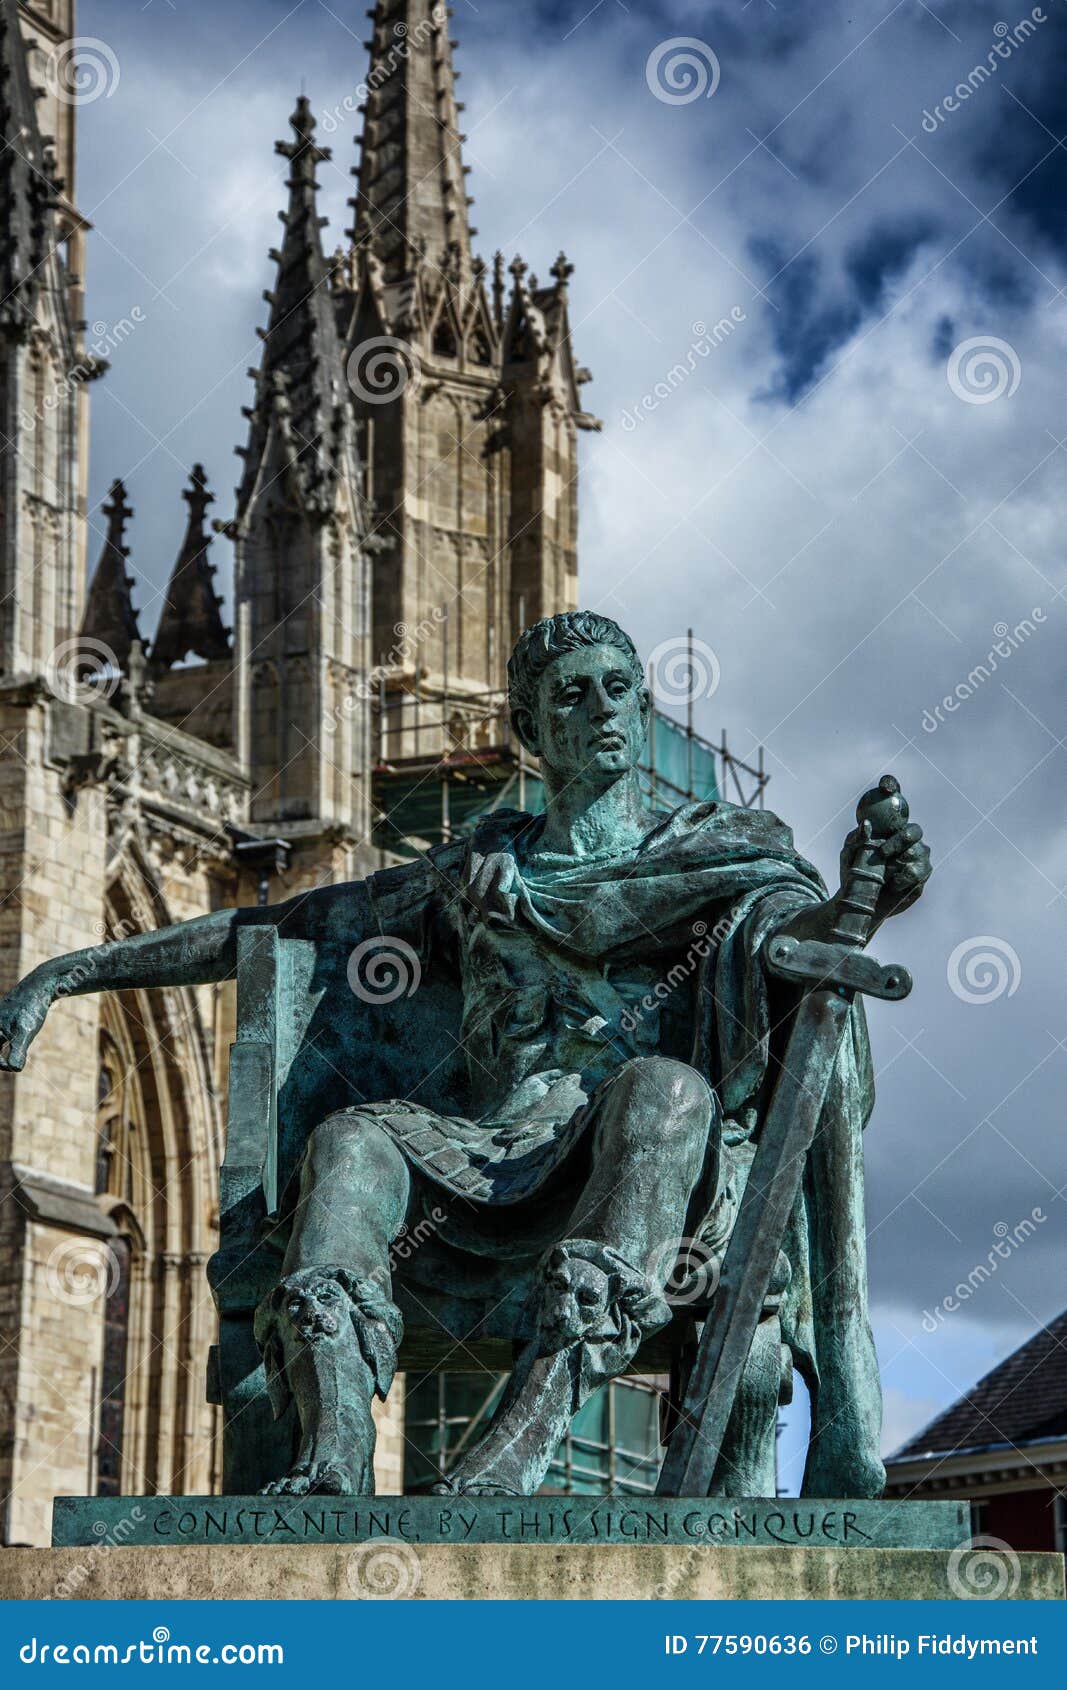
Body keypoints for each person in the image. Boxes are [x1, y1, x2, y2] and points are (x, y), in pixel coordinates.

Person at [0, 612, 931, 1498]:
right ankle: (333, 1454)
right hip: (485, 1154)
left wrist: (863, 900)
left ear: (642, 708)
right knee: (354, 1141)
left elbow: (790, 939)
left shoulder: (714, 854)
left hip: (645, 1170)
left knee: (665, 1089)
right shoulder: (477, 873)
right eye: (573, 695)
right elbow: (281, 926)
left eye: (618, 689)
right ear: (531, 727)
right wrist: (75, 969)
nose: (602, 709)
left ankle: (522, 1435)